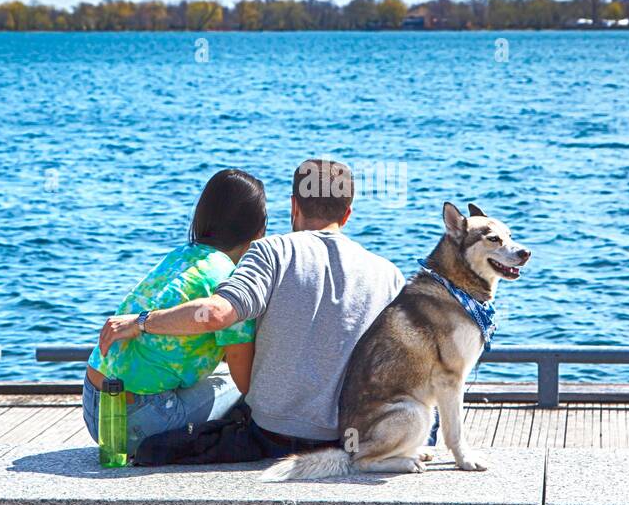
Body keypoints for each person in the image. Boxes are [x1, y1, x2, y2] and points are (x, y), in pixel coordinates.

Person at [98, 158, 404, 465]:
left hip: (271, 437)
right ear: (348, 213)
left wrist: (142, 322)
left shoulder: (271, 252)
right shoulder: (389, 276)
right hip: (344, 439)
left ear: (294, 205)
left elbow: (217, 314)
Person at [81, 168, 267, 457]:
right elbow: (246, 382)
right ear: (259, 230)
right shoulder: (230, 280)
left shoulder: (180, 256)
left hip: (95, 409)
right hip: (138, 423)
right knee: (241, 383)